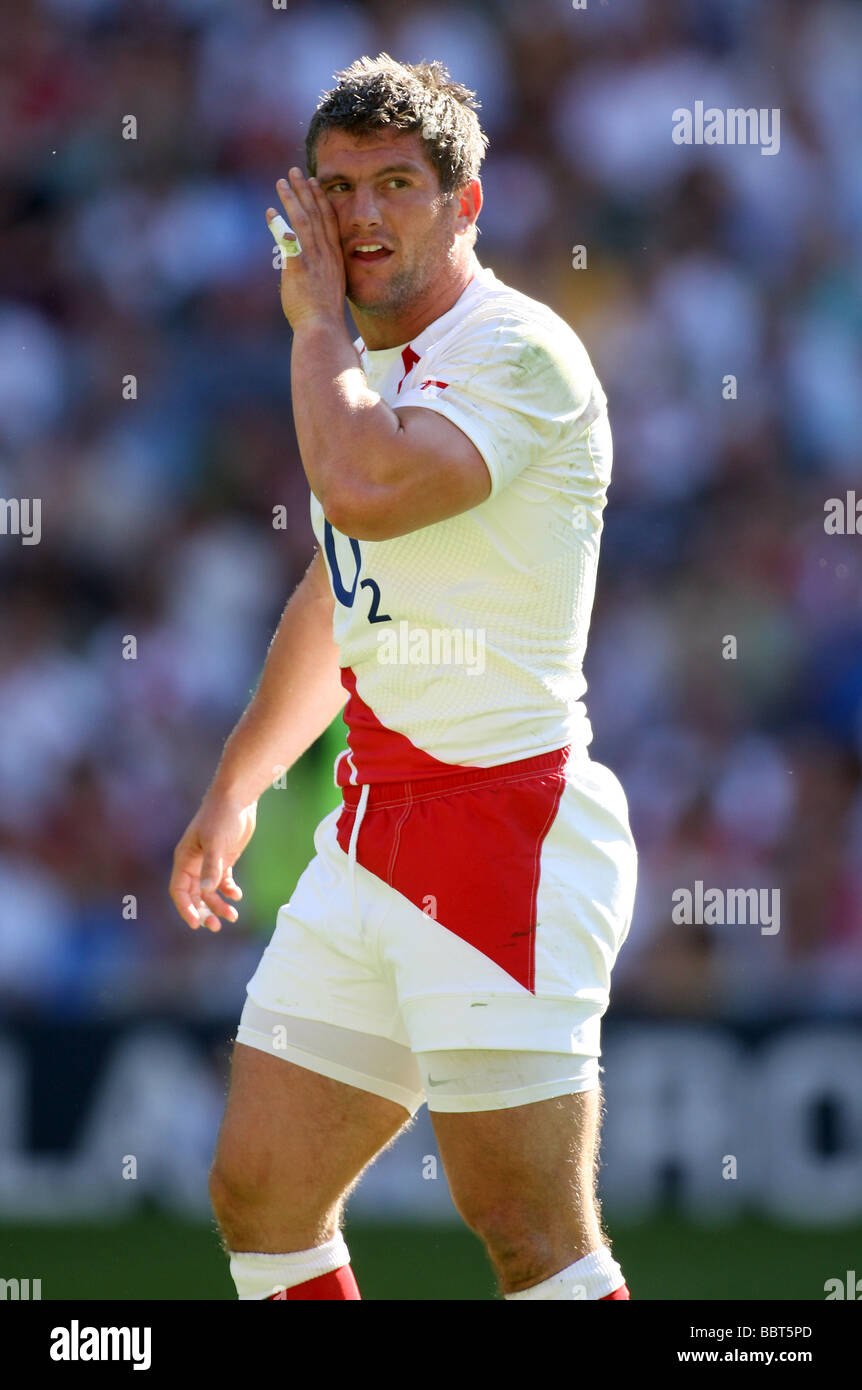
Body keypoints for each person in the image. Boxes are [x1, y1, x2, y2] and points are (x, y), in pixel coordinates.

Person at [169, 52, 637, 1302]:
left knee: (530, 1236)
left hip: (503, 828)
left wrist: (315, 322)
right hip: (371, 826)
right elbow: (337, 598)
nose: (361, 217)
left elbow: (365, 495)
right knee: (260, 1194)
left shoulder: (519, 351)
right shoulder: (365, 373)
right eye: (334, 189)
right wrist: (240, 786)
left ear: (465, 205)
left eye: (396, 185)